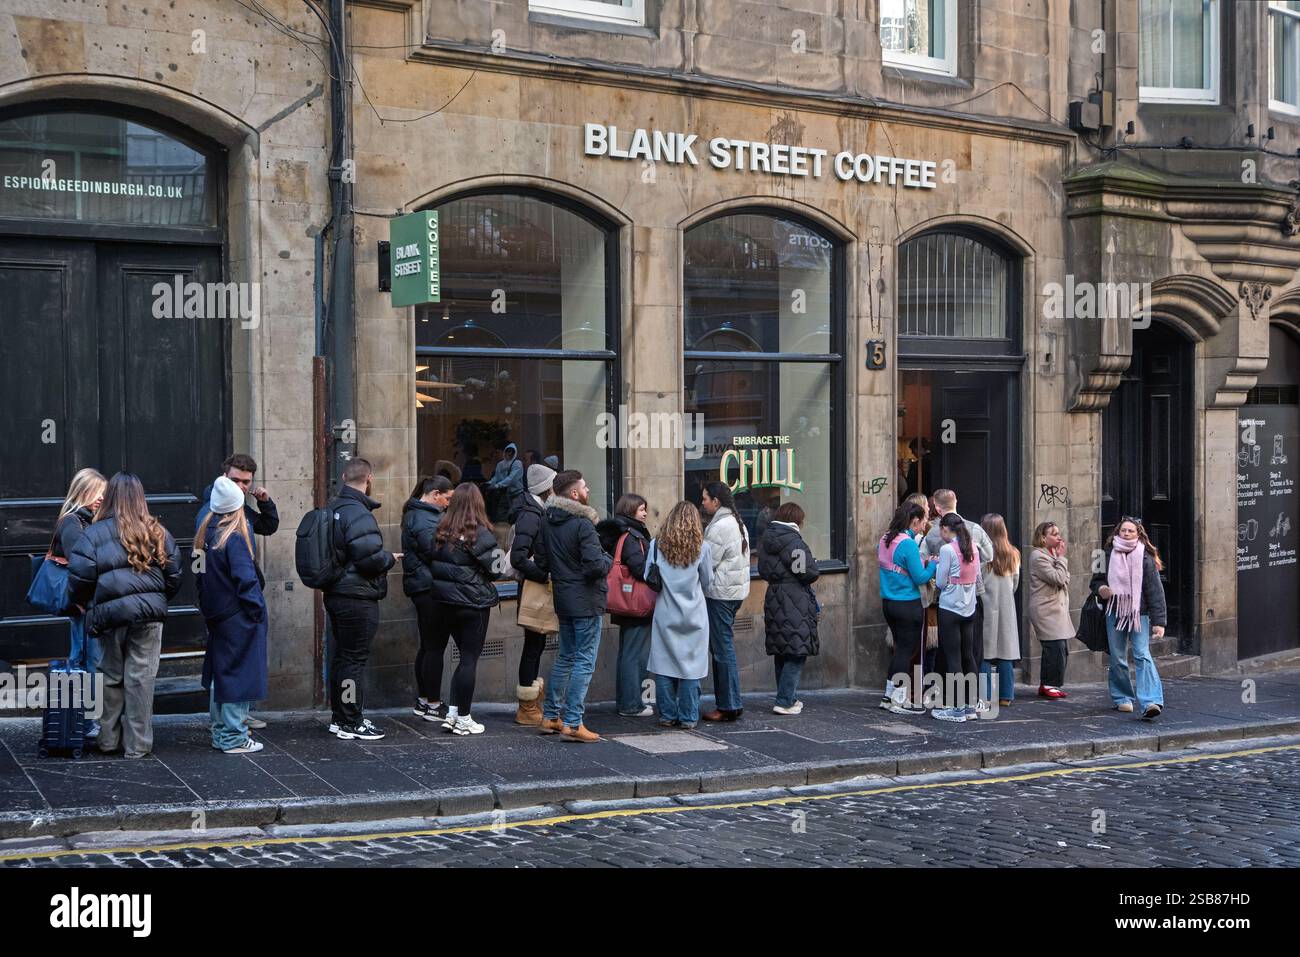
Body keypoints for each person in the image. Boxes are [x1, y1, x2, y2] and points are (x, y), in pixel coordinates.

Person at [66, 473, 182, 759]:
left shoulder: (92, 534)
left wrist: (85, 602)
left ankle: (108, 740)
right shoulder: (158, 532)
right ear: (140, 498)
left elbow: (80, 577)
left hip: (108, 616)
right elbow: (175, 576)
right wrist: (156, 600)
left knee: (109, 676)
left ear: (111, 497)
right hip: (148, 617)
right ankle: (138, 745)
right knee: (141, 679)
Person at [534, 469, 612, 743]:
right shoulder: (583, 524)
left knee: (566, 656)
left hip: (564, 600)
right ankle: (573, 722)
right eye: (585, 486)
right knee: (584, 660)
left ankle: (551, 716)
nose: (588, 490)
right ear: (574, 493)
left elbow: (542, 562)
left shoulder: (547, 520)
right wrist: (608, 561)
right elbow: (594, 566)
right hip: (586, 600)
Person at [324, 457, 398, 741]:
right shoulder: (358, 513)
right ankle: (352, 720)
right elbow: (368, 559)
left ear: (344, 477)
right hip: (357, 597)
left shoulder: (334, 508)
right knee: (353, 659)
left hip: (337, 593)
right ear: (369, 479)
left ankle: (340, 717)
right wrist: (389, 558)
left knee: (343, 657)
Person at [195, 477, 269, 755]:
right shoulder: (233, 537)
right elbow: (246, 579)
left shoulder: (206, 531)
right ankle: (234, 737)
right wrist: (257, 611)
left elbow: (199, 578)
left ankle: (221, 733)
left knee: (221, 675)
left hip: (217, 615)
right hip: (238, 617)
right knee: (239, 674)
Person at [428, 483, 500, 735]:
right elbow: (498, 569)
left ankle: (453, 713)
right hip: (472, 604)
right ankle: (465, 718)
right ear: (478, 504)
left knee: (462, 660)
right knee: (469, 659)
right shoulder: (479, 533)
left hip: (443, 603)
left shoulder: (441, 530)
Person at [1091, 518, 1168, 720]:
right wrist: (1101, 589)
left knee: (1142, 654)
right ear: (1118, 532)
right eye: (1123, 530)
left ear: (1138, 534)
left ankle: (1150, 701)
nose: (1126, 533)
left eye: (1130, 531)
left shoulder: (1146, 558)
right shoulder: (1104, 555)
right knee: (1117, 656)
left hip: (1138, 614)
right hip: (1114, 611)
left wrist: (1159, 623)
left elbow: (1155, 592)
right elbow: (1095, 581)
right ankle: (1122, 697)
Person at [646, 502, 713, 729]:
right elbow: (707, 581)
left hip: (665, 611)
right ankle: (688, 716)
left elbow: (648, 575)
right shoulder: (702, 548)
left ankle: (667, 715)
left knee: (664, 664)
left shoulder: (656, 545)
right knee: (691, 667)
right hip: (694, 613)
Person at [50, 468, 107, 736]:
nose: (101, 498)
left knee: (89, 659)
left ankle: (85, 720)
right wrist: (83, 599)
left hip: (90, 604)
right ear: (82, 491)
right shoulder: (73, 522)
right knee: (86, 660)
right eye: (97, 492)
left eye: (104, 494)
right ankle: (86, 722)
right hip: (85, 606)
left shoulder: (88, 521)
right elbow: (80, 566)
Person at [596, 493, 656, 718]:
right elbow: (640, 569)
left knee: (627, 653)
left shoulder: (622, 534)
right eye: (642, 510)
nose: (645, 514)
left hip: (625, 603)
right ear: (631, 511)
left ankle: (626, 701)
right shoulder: (633, 537)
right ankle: (632, 704)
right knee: (634, 654)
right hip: (636, 605)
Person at [758, 502, 820, 715]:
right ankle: (784, 701)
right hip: (794, 597)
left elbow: (763, 570)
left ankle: (788, 697)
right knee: (796, 650)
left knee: (782, 649)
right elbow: (807, 572)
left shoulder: (767, 539)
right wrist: (812, 563)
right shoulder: (793, 541)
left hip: (774, 595)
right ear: (796, 520)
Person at [924, 489, 993, 674]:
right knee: (971, 651)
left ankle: (952, 696)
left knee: (949, 654)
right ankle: (971, 694)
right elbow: (990, 555)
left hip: (947, 601)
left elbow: (923, 560)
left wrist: (936, 567)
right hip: (972, 598)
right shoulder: (975, 530)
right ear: (956, 502)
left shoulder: (932, 535)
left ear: (937, 509)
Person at [402, 475, 454, 721]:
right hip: (429, 587)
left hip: (425, 585)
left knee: (428, 646)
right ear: (435, 495)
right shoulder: (424, 518)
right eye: (447, 498)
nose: (448, 504)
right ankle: (433, 705)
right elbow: (435, 551)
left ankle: (424, 700)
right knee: (434, 647)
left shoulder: (420, 514)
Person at [878, 501, 937, 715]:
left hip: (889, 603)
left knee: (898, 650)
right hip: (907, 604)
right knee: (905, 651)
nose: (924, 525)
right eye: (922, 521)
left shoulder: (885, 539)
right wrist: (932, 564)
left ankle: (888, 696)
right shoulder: (908, 544)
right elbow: (920, 577)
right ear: (914, 521)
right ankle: (899, 700)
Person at [509, 463, 557, 725]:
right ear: (546, 488)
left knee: (535, 646)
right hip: (533, 588)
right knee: (532, 646)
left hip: (535, 586)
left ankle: (530, 703)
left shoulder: (536, 510)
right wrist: (542, 574)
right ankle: (526, 708)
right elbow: (518, 557)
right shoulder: (531, 514)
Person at [699, 481, 750, 722]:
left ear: (716, 501)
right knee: (724, 646)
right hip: (732, 593)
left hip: (720, 595)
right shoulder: (736, 522)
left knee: (721, 650)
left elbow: (707, 563)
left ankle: (728, 704)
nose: (703, 502)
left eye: (705, 498)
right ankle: (731, 702)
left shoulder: (719, 526)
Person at [931, 512, 984, 723]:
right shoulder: (973, 547)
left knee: (953, 658)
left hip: (950, 608)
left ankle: (956, 707)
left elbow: (942, 582)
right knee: (968, 655)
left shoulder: (947, 549)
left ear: (945, 529)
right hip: (969, 608)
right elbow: (977, 574)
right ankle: (970, 705)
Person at [1027, 521, 1072, 700]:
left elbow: (1064, 577)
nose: (1059, 537)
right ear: (1043, 538)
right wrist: (1061, 559)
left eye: (1059, 533)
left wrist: (1060, 565)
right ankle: (1047, 685)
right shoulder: (1038, 556)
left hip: (1056, 609)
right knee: (1054, 648)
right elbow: (1060, 578)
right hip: (1045, 610)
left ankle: (1049, 683)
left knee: (1061, 648)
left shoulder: (1050, 555)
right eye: (1054, 534)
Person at [979, 513, 1021, 708]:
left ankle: (986, 694)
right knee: (1006, 651)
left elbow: (976, 581)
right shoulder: (1013, 553)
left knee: (985, 652)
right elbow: (1014, 583)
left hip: (985, 605)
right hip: (1006, 606)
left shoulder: (980, 553)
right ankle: (1006, 695)